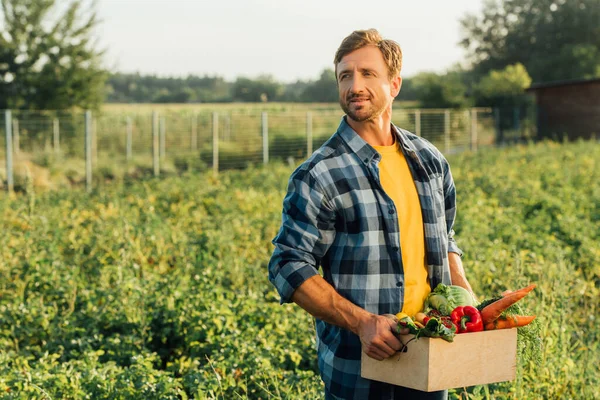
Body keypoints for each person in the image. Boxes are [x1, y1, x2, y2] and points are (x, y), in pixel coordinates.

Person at [267, 29, 474, 400]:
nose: (354, 85)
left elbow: (445, 237)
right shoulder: (320, 174)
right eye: (345, 75)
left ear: (394, 84)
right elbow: (287, 263)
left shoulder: (429, 162)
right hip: (358, 367)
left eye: (367, 74)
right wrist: (362, 323)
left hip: (432, 353)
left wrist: (462, 290)